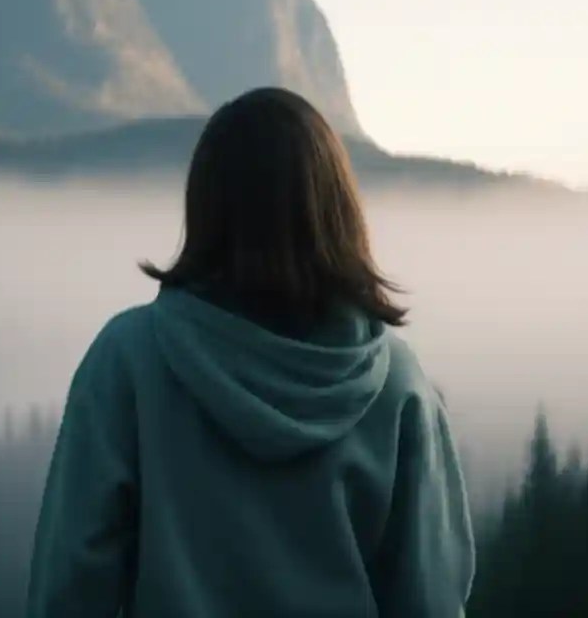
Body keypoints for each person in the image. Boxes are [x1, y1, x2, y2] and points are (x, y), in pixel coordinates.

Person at [26, 88, 475, 617]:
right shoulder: (399, 386)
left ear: (206, 209)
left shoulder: (128, 360)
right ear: (336, 210)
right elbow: (430, 600)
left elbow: (70, 588)